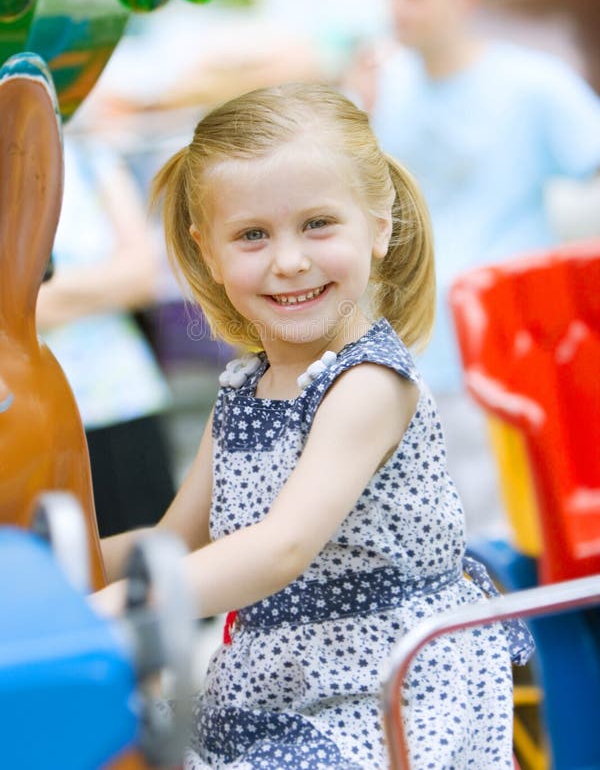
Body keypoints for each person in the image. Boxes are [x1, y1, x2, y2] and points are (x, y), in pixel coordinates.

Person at [94, 82, 533, 769]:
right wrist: (56, 565)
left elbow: (283, 547)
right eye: (252, 235)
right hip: (280, 684)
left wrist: (117, 612)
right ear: (207, 250)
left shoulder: (368, 385)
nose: (288, 259)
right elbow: (174, 539)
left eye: (318, 225)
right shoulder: (243, 389)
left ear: (379, 226)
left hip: (392, 688)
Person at [346, 0, 600, 536]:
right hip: (416, 348)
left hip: (513, 348)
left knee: (534, 526)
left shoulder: (534, 84)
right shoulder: (385, 88)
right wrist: (358, 115)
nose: (399, 7)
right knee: (455, 531)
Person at [37, 132, 176, 538]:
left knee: (152, 559)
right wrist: (98, 286)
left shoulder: (87, 156)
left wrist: (34, 296)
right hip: (24, 415)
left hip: (119, 398)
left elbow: (143, 277)